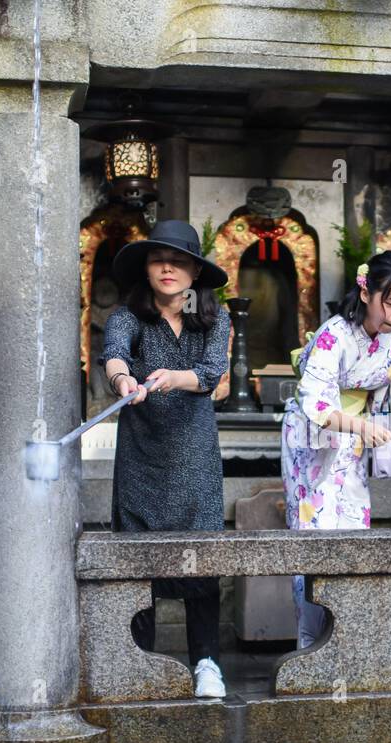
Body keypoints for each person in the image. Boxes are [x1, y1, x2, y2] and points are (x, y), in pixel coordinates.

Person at [101, 220, 231, 698]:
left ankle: (207, 664)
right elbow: (114, 355)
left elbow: (211, 372)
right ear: (146, 269)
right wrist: (123, 381)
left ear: (195, 272)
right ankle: (141, 664)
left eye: (178, 261)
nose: (167, 268)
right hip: (142, 455)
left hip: (195, 453)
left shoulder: (215, 318)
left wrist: (172, 378)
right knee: (138, 558)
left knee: (202, 557)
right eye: (158, 260)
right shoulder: (128, 316)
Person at [281, 250, 391, 647]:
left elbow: (377, 387)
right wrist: (361, 427)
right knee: (314, 535)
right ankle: (309, 643)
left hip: (353, 439)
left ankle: (346, 640)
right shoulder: (334, 333)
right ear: (366, 293)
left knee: (353, 531)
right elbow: (316, 403)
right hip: (312, 440)